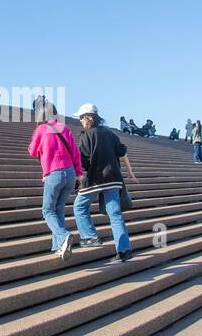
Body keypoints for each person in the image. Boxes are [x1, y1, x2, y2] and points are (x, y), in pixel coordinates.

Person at [72, 103, 137, 262]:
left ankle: (90, 236)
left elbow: (83, 162)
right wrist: (130, 172)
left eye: (81, 118)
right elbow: (123, 153)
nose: (80, 121)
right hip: (114, 179)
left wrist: (78, 179)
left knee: (79, 207)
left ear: (89, 117)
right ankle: (124, 250)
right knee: (115, 215)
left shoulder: (87, 135)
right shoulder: (110, 134)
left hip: (96, 178)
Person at [28, 101, 85, 261]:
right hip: (70, 173)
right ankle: (59, 246)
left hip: (54, 174)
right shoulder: (64, 128)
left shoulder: (41, 129)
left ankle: (63, 236)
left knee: (47, 210)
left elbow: (32, 151)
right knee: (58, 209)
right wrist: (79, 174)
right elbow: (75, 153)